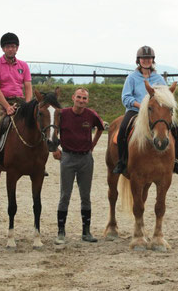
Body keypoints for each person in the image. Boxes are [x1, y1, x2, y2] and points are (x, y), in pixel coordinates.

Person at [112, 46, 178, 175]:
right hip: (135, 110)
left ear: (152, 60)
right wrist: (141, 106)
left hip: (155, 111)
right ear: (138, 60)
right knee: (123, 128)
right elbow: (126, 97)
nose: (146, 61)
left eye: (149, 58)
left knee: (176, 129)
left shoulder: (159, 78)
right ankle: (122, 161)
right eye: (143, 59)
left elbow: (164, 96)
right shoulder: (132, 78)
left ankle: (175, 161)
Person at [51, 88, 104, 244]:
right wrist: (54, 148)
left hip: (85, 159)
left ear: (87, 100)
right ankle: (61, 232)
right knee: (65, 195)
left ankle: (86, 232)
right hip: (67, 158)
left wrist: (93, 144)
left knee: (85, 196)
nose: (81, 100)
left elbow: (100, 128)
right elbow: (52, 130)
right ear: (73, 97)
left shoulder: (91, 115)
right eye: (79, 97)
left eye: (84, 98)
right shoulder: (62, 114)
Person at [0, 32, 33, 130]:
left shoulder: (24, 65)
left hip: (19, 100)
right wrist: (7, 107)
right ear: (3, 48)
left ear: (17, 48)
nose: (10, 49)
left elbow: (28, 87)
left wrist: (28, 104)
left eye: (13, 46)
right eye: (7, 47)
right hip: (0, 101)